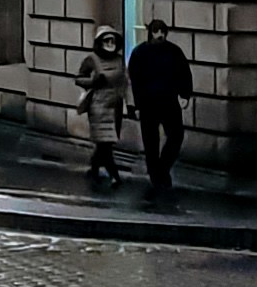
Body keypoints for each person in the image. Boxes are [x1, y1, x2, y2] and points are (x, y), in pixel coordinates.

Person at [127, 18, 194, 198]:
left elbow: (184, 73)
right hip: (148, 103)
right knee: (151, 142)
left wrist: (185, 94)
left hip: (168, 101)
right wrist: (136, 105)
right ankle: (157, 176)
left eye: (162, 31)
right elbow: (134, 81)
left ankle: (161, 169)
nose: (160, 35)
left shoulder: (173, 52)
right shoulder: (139, 53)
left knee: (176, 136)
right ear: (150, 32)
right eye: (156, 31)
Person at [75, 26, 129, 188]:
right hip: (98, 106)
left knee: (106, 143)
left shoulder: (119, 60)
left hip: (115, 107)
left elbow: (126, 82)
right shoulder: (92, 59)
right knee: (105, 143)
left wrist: (131, 104)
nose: (110, 43)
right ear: (100, 42)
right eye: (106, 40)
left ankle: (94, 169)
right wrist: (93, 82)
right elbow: (78, 78)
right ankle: (115, 175)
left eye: (113, 40)